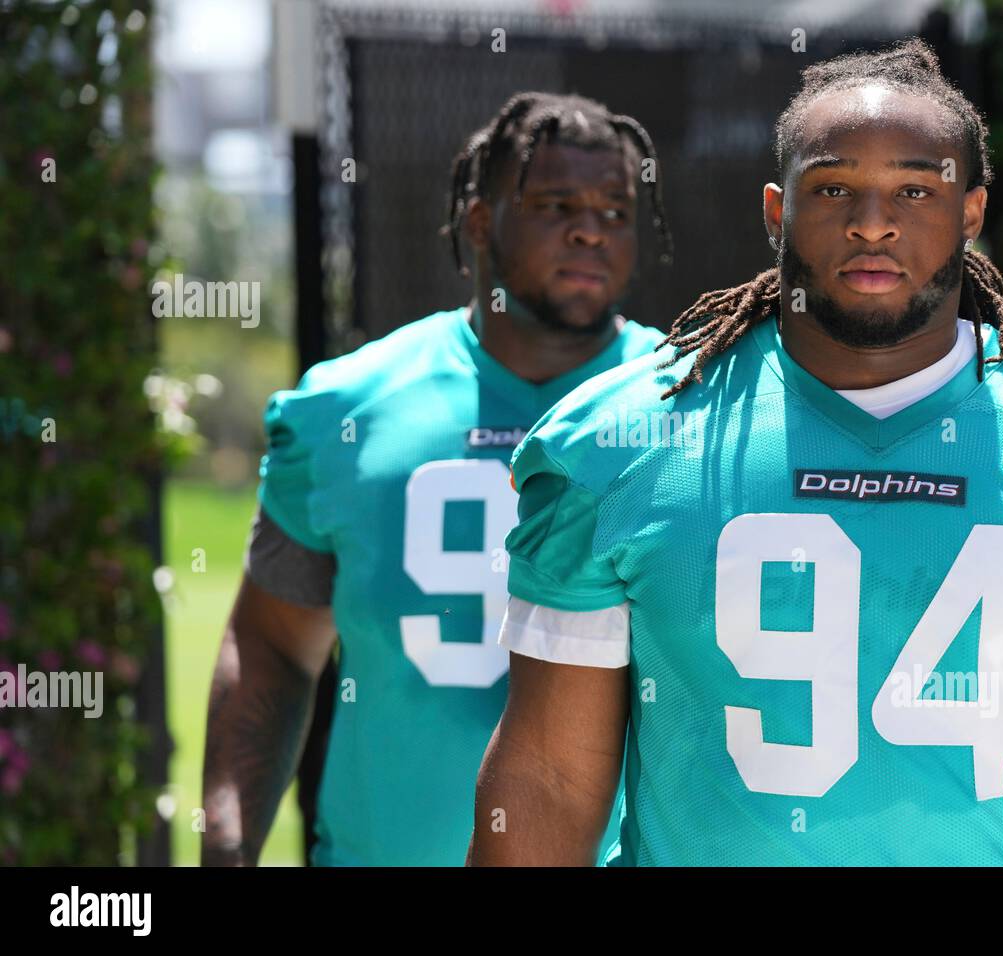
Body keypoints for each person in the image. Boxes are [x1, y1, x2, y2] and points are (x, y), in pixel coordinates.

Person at [469, 41, 1003, 866]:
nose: (873, 222)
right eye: (835, 186)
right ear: (777, 211)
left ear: (971, 212)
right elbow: (549, 776)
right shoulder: (618, 447)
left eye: (916, 188)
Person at [202, 91, 671, 865]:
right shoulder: (346, 407)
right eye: (557, 204)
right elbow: (273, 643)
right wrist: (226, 839)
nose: (592, 230)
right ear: (480, 222)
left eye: (617, 211)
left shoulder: (694, 408)